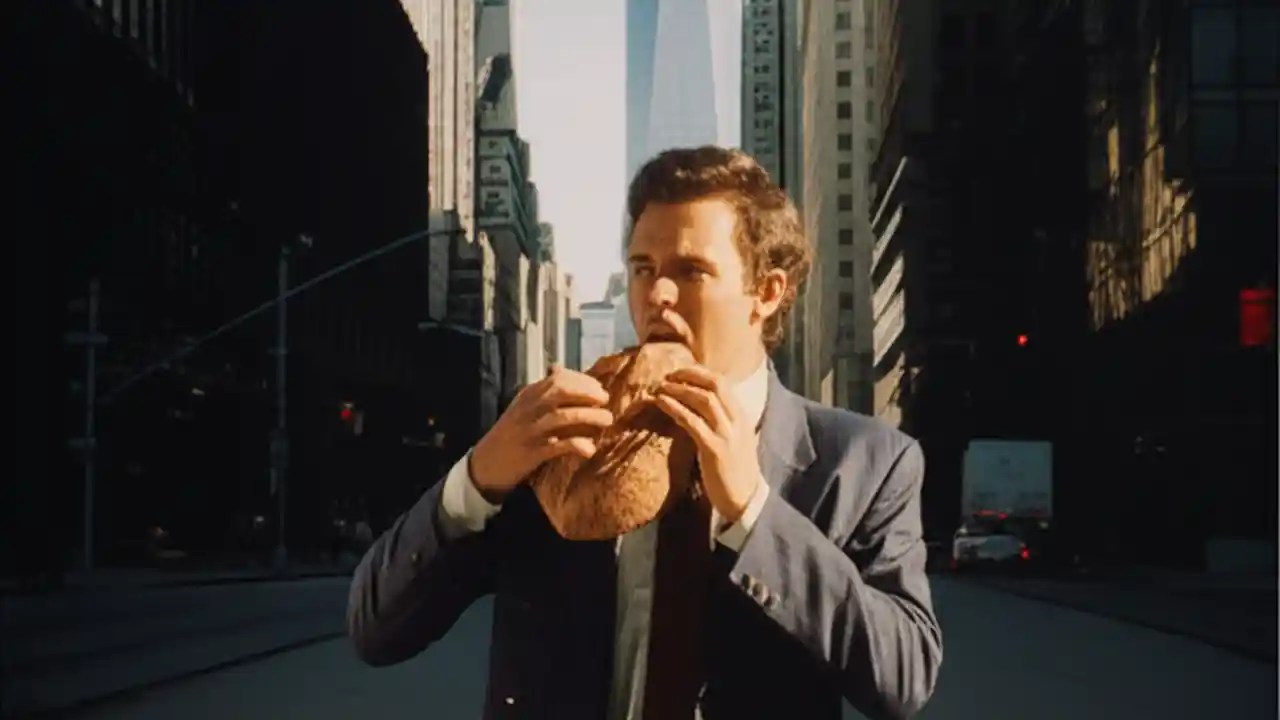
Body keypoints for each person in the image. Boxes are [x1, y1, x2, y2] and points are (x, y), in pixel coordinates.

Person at [347, 147, 942, 719]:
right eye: (642, 269)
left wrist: (755, 515)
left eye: (691, 271)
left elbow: (903, 677)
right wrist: (477, 479)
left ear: (766, 291)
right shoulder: (556, 439)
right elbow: (376, 629)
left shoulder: (865, 461)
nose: (656, 294)